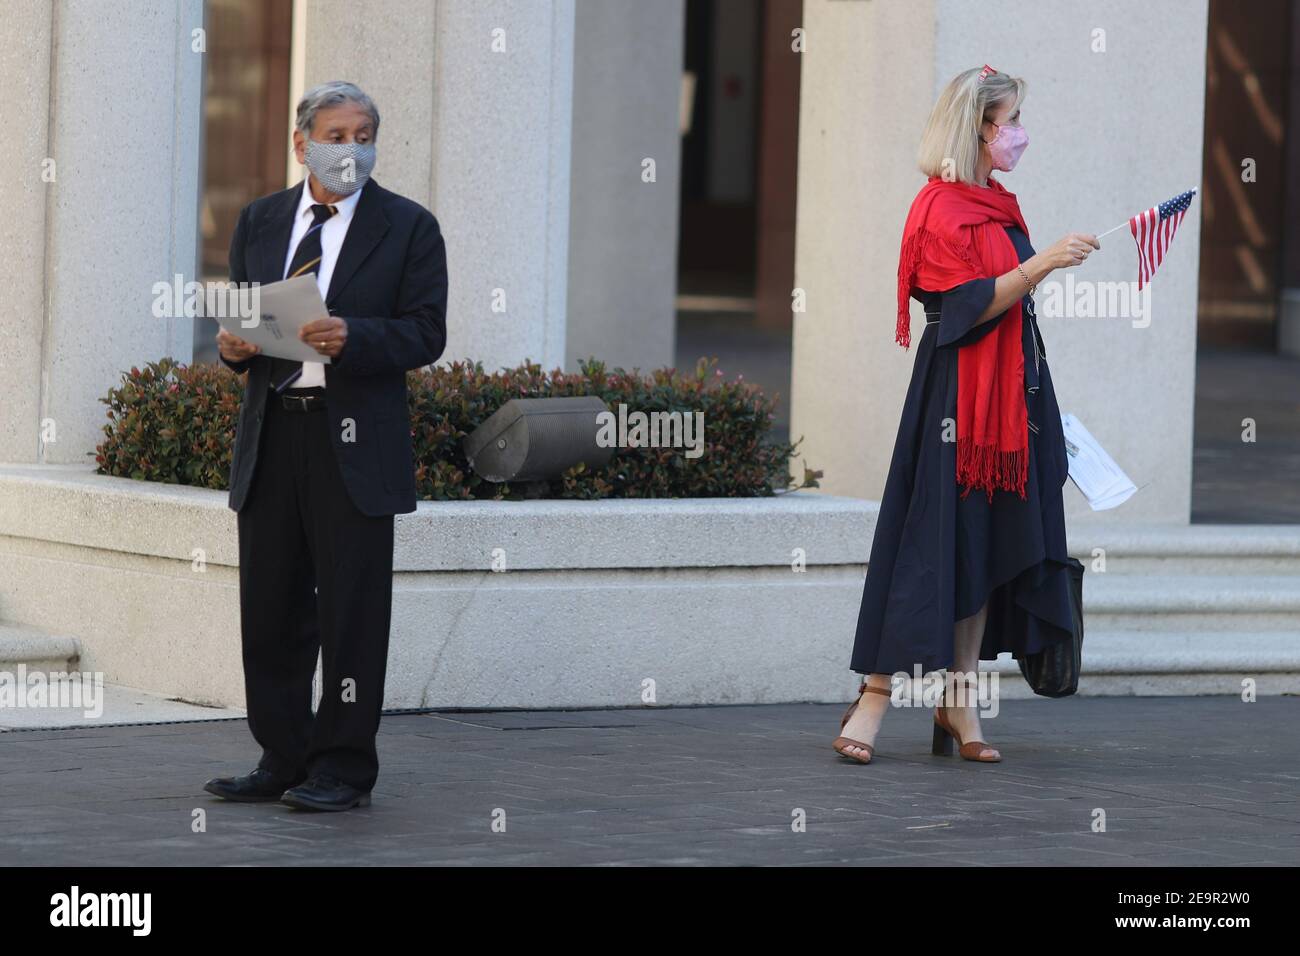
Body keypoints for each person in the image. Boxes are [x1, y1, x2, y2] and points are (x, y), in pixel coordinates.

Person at [832, 65, 1097, 765]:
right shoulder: (938, 209)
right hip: (953, 399)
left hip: (1013, 402)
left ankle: (959, 701)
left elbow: (1011, 308)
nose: (1018, 134)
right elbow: (961, 308)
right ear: (976, 128)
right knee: (929, 539)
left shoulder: (999, 206)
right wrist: (1042, 264)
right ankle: (875, 698)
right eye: (1009, 120)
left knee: (985, 541)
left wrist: (1037, 268)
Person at [204, 81, 449, 810]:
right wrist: (236, 349)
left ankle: (343, 767)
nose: (352, 148)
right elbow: (247, 319)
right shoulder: (261, 219)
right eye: (336, 135)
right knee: (271, 607)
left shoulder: (408, 227)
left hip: (355, 444)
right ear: (301, 142)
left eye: (363, 134)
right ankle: (283, 754)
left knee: (352, 610)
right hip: (275, 434)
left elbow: (426, 333)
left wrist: (355, 337)